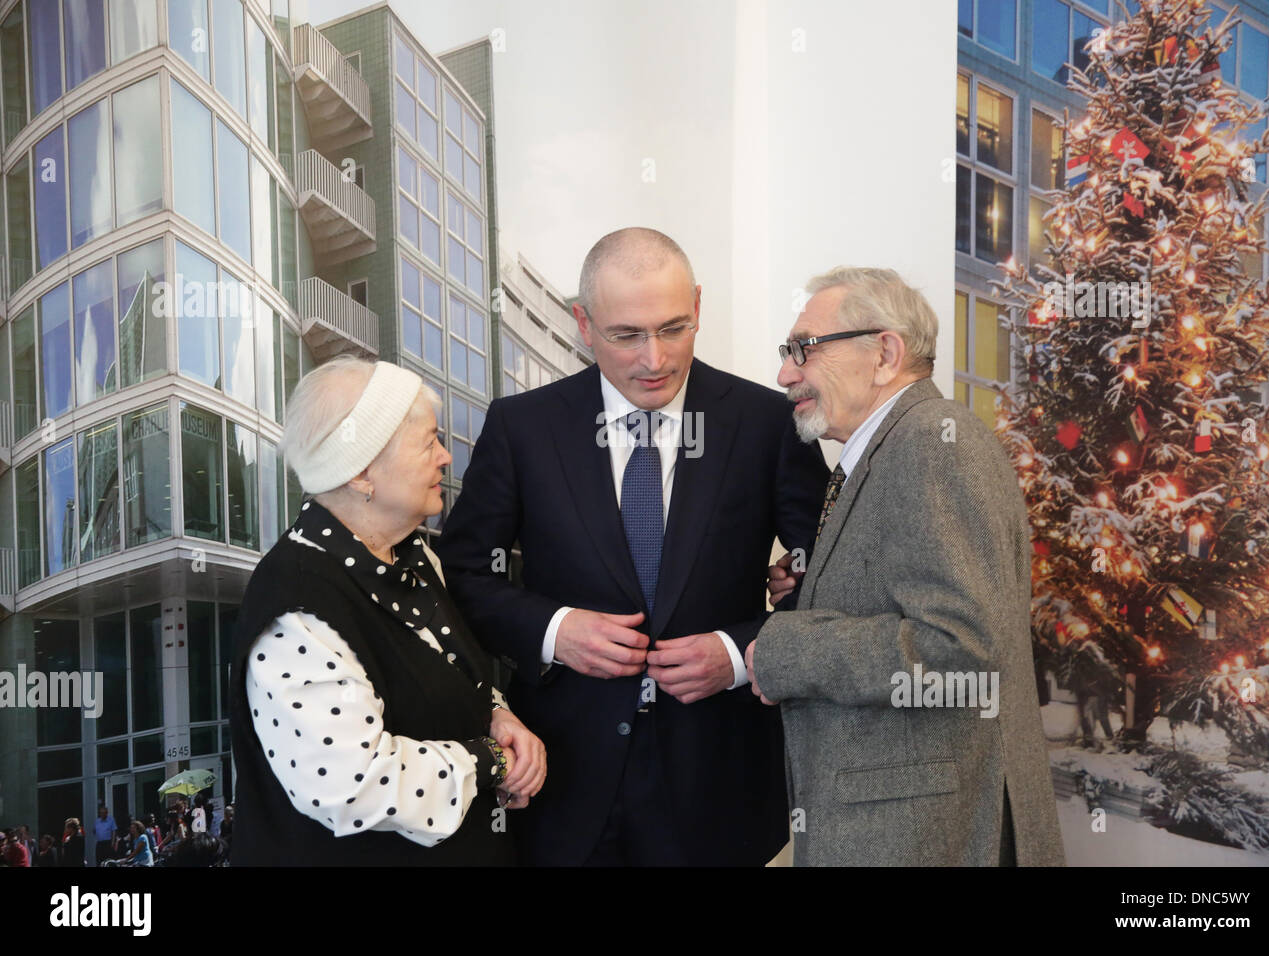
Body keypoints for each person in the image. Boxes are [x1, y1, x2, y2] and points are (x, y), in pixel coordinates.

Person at [437, 227, 829, 866]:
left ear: (698, 307)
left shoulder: (767, 423)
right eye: (627, 335)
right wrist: (554, 630)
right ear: (583, 323)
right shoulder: (523, 427)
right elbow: (464, 573)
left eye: (674, 328)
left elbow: (831, 576)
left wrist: (737, 653)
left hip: (720, 781)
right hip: (563, 776)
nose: (655, 359)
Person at [747, 267, 1066, 866]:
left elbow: (958, 644)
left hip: (924, 837)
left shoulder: (931, 444)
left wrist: (784, 650)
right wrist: (814, 585)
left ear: (885, 353)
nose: (787, 374)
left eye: (803, 349)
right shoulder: (896, 447)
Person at [230, 357, 546, 866]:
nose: (445, 457)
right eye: (428, 442)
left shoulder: (414, 556)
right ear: (361, 473)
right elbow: (351, 785)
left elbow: (444, 671)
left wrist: (494, 713)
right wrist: (489, 760)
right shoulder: (297, 607)